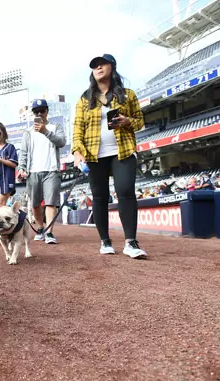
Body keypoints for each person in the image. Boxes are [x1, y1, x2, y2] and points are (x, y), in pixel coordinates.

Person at [72, 53, 147, 259]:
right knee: (100, 197)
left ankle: (131, 242)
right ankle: (105, 241)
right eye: (94, 66)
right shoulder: (85, 99)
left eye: (101, 64)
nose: (97, 68)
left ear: (112, 67)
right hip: (95, 155)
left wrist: (126, 121)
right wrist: (78, 152)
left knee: (126, 191)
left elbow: (140, 121)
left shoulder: (128, 95)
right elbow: (77, 129)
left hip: (122, 150)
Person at [17, 99, 67, 244]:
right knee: (35, 204)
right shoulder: (28, 133)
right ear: (33, 114)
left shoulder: (55, 126)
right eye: (36, 112)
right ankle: (40, 228)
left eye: (42, 111)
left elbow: (62, 142)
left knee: (51, 202)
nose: (39, 114)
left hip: (51, 170)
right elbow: (23, 153)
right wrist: (21, 168)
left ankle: (49, 232)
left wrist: (45, 131)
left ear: (47, 111)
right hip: (33, 172)